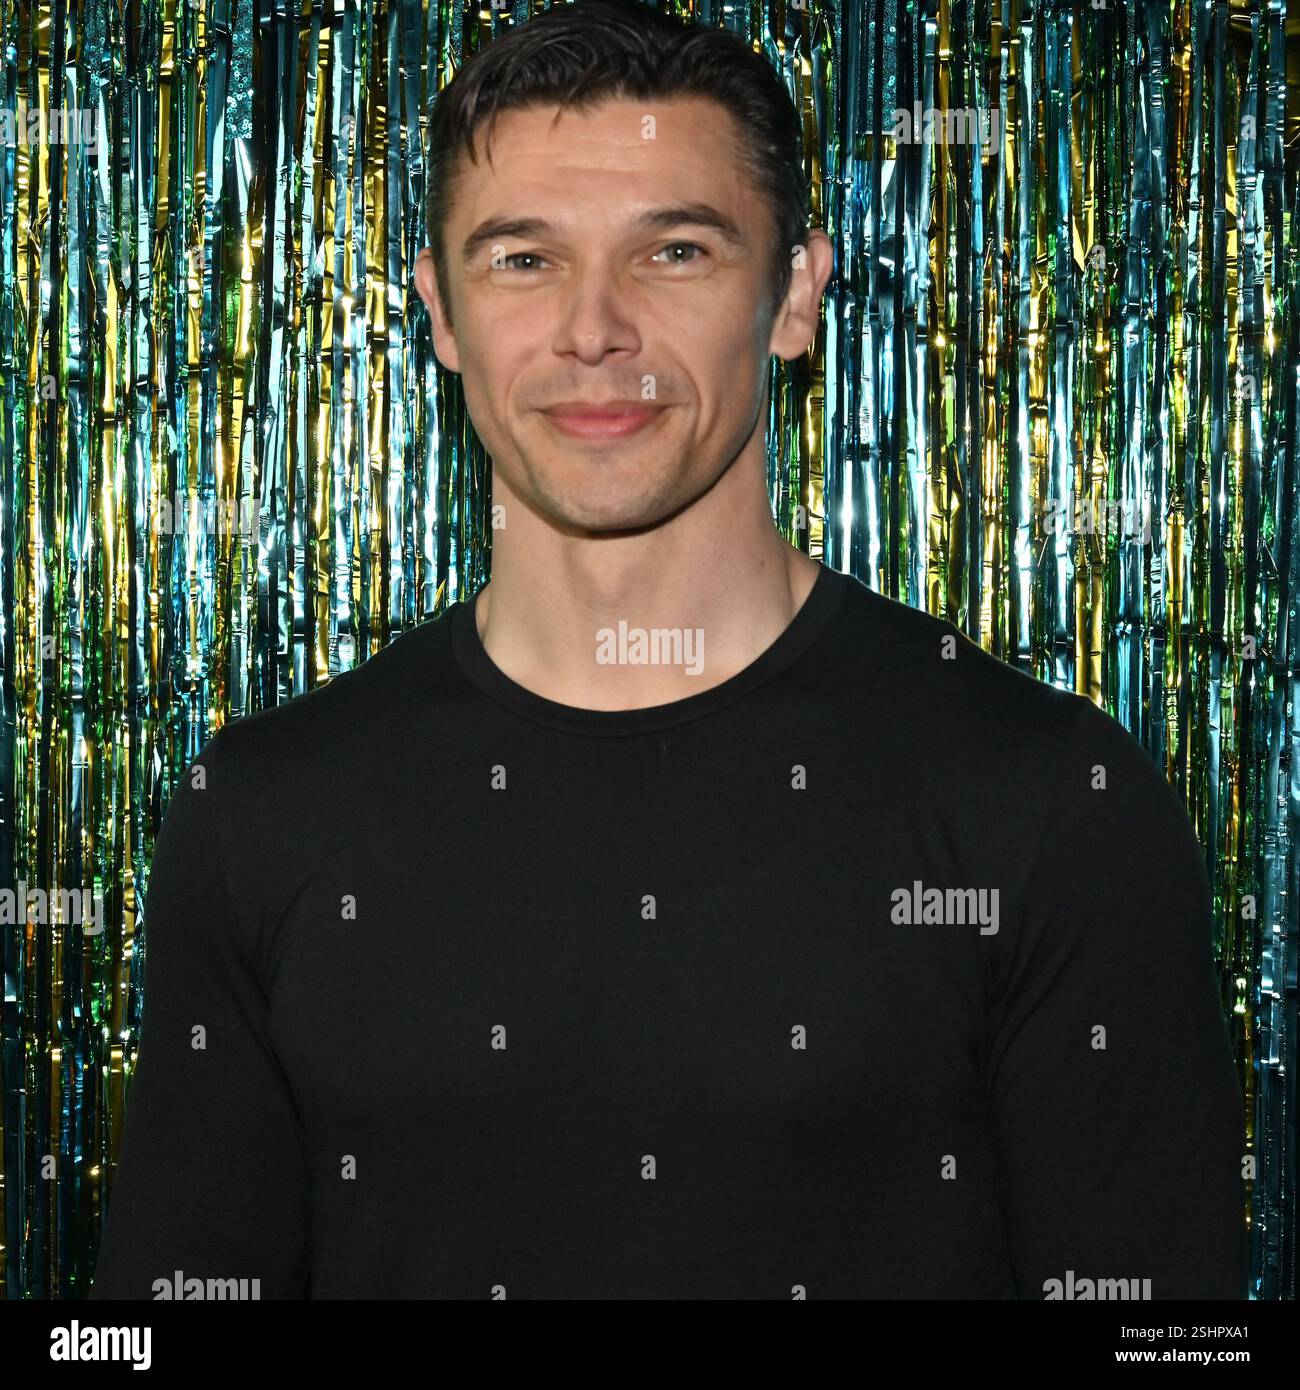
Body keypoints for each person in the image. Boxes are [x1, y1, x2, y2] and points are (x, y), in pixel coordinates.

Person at [91, 0, 1246, 1299]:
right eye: (522, 259)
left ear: (796, 294)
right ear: (441, 312)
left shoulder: (1050, 803)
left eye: (675, 250)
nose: (595, 330)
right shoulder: (259, 812)